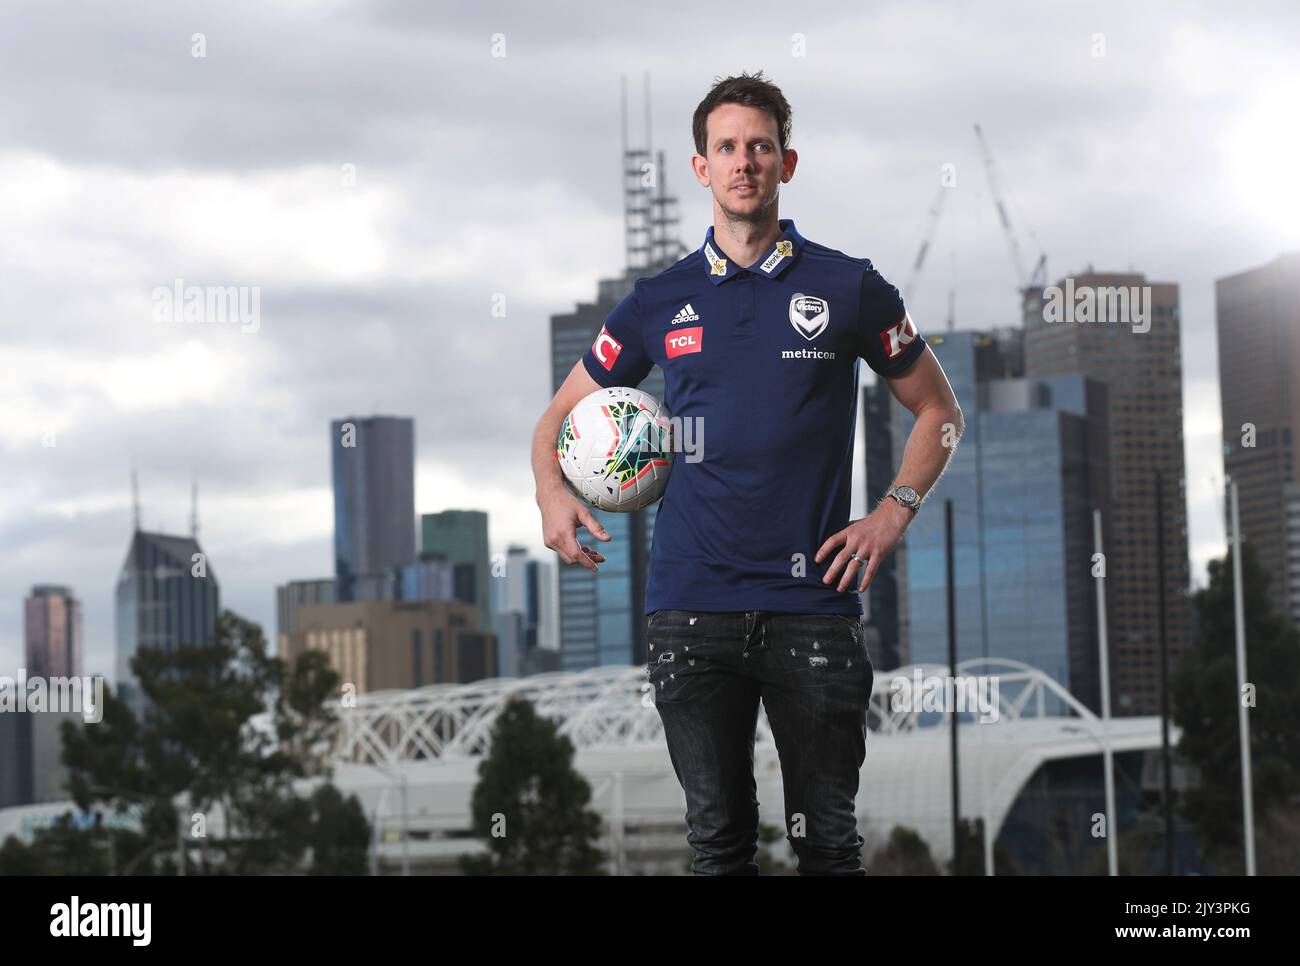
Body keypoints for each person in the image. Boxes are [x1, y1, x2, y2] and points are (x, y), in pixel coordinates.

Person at [531, 70, 964, 874]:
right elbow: (555, 420)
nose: (744, 162)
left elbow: (940, 412)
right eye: (726, 148)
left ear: (786, 163)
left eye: (759, 147)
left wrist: (894, 509)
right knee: (718, 846)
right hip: (691, 613)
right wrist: (552, 491)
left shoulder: (850, 287)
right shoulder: (658, 301)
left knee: (827, 846)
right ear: (702, 167)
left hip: (813, 609)